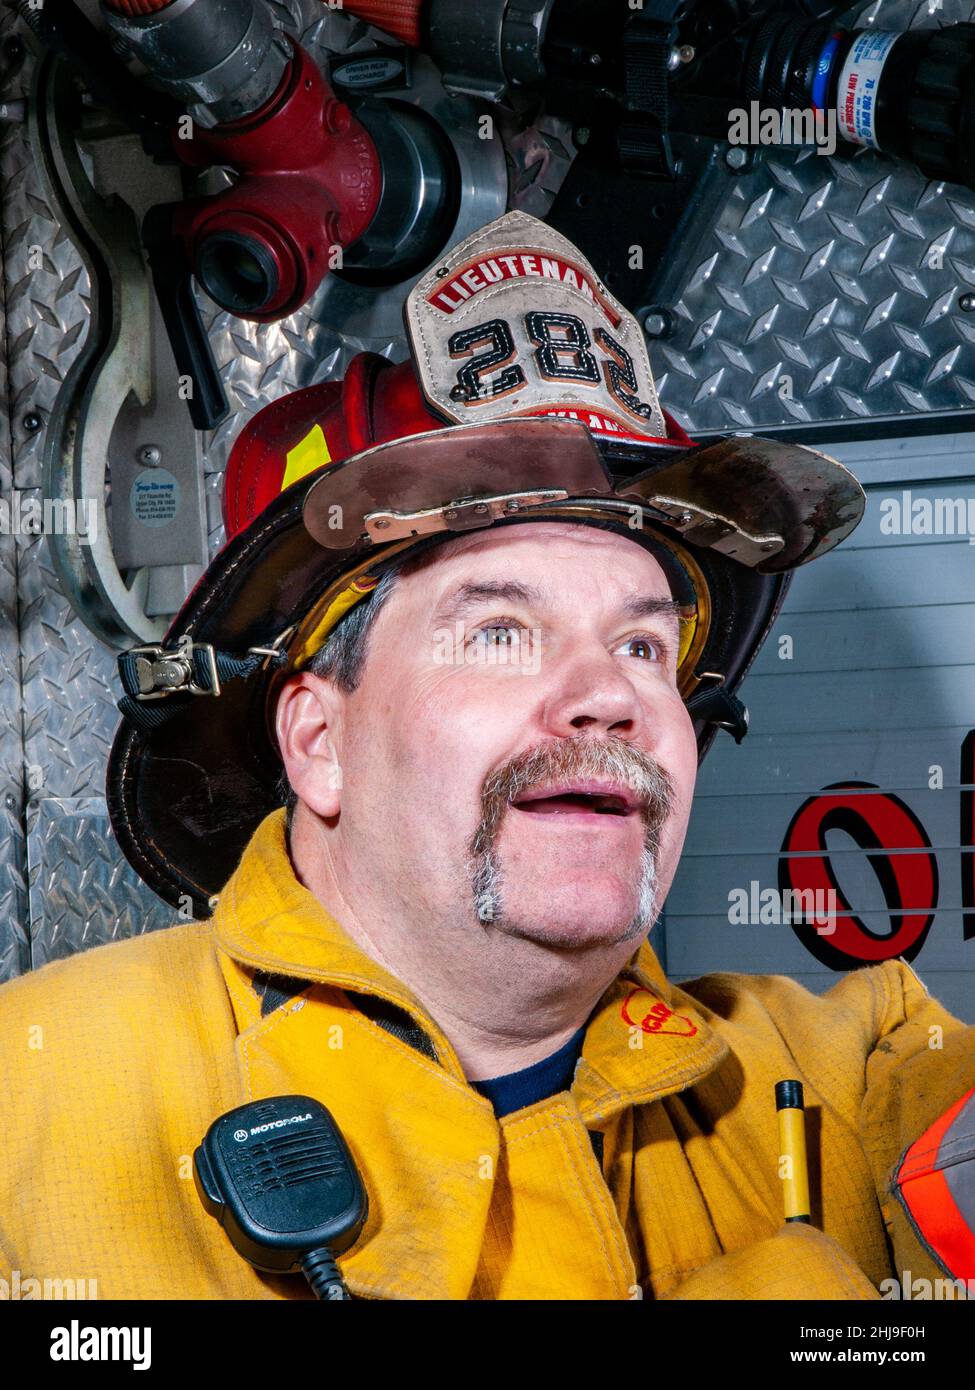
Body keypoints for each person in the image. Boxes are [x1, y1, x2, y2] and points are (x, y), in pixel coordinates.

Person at [1, 213, 972, 1300]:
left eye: (644, 643)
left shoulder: (846, 1071)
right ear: (319, 743)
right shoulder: (32, 1103)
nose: (611, 696)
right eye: (499, 632)